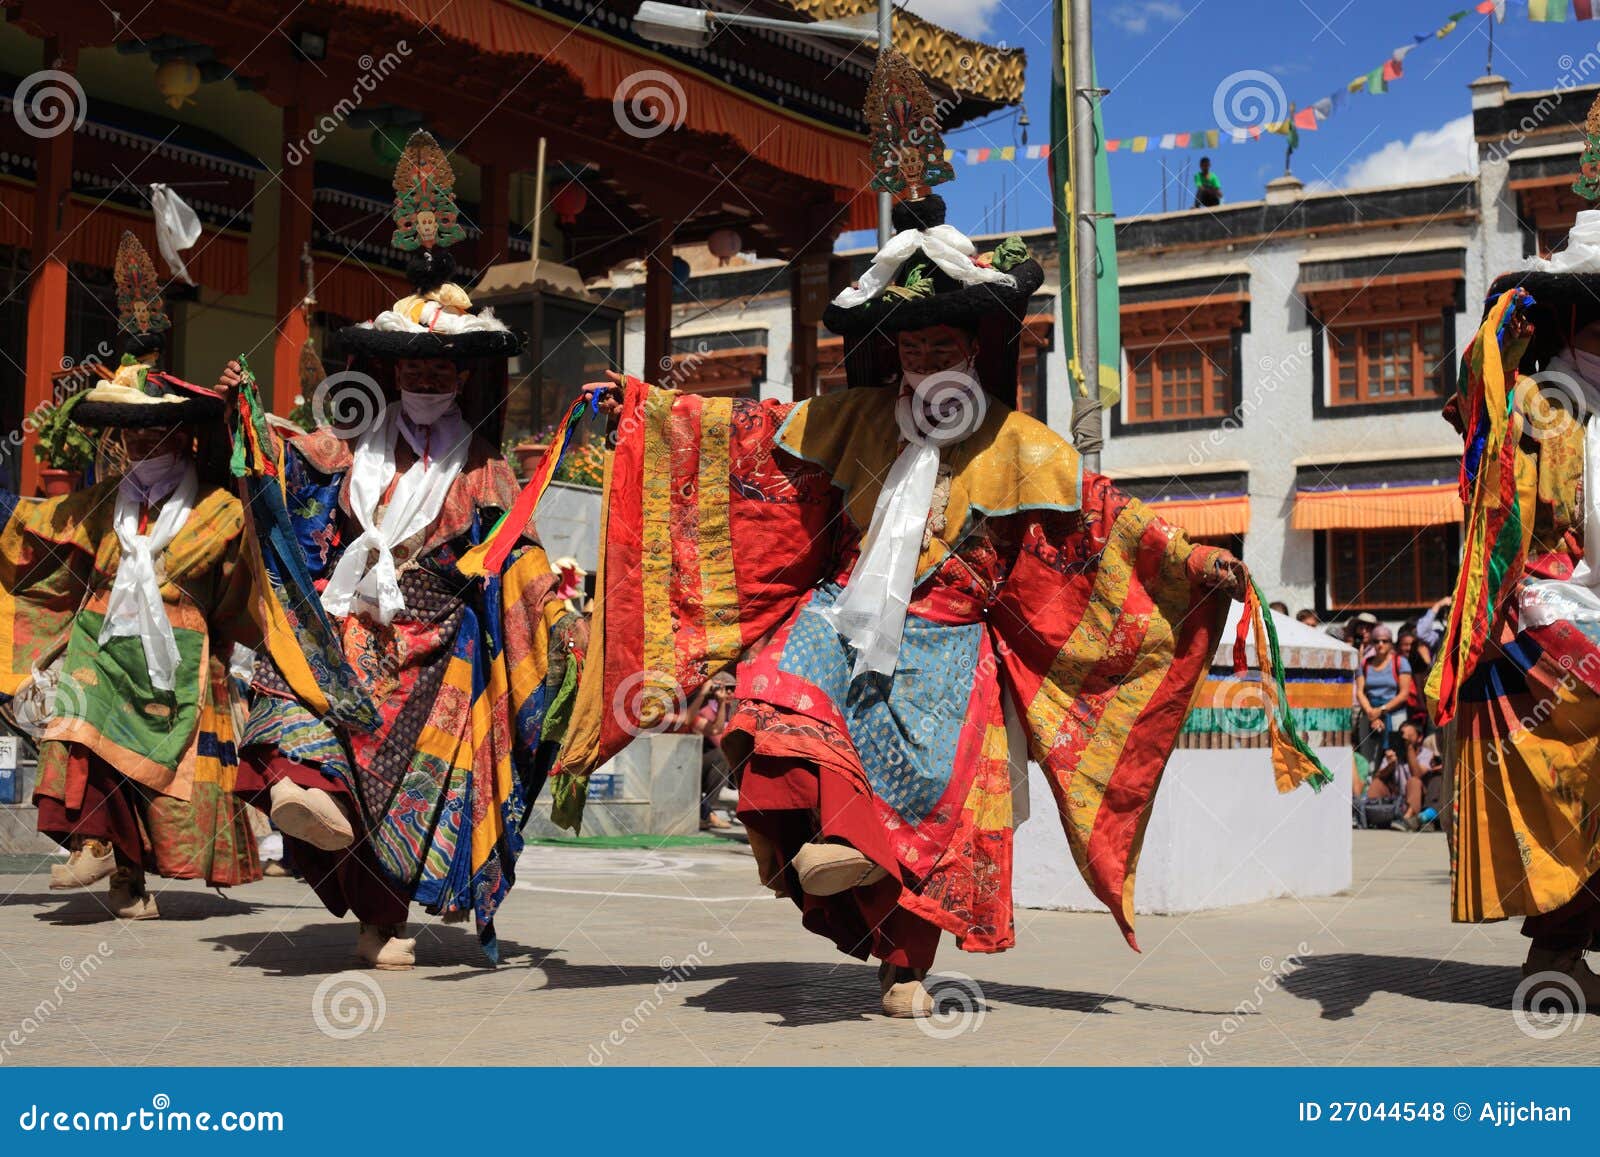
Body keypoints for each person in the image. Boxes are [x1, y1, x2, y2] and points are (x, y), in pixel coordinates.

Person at [552, 50, 1324, 1020]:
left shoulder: (1025, 446)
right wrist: (638, 408)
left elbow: (1102, 527)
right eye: (909, 346)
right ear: (894, 353)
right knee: (769, 699)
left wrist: (1197, 561)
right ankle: (793, 844)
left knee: (931, 799)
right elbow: (745, 441)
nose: (924, 361)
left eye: (942, 345)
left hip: (950, 650)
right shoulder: (854, 417)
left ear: (975, 348)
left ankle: (900, 959)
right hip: (840, 617)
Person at [222, 132, 564, 968]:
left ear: (465, 380)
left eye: (441, 372)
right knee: (294, 694)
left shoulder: (485, 470)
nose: (425, 382)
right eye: (411, 368)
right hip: (347, 629)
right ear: (385, 371)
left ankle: (384, 920)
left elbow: (515, 550)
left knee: (404, 795)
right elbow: (288, 479)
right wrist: (245, 423)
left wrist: (553, 606)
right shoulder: (347, 447)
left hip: (435, 649)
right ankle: (305, 796)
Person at [0, 232, 261, 916]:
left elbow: (243, 573)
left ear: (185, 437)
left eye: (157, 434)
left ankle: (129, 880)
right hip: (103, 637)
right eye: (132, 436)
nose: (143, 445)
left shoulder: (216, 509)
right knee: (78, 727)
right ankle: (92, 847)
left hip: (180, 652)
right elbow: (42, 533)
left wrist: (239, 422)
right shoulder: (100, 502)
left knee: (156, 778)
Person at [1431, 111, 1600, 1002]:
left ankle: (1568, 947)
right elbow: (1505, 534)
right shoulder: (1542, 409)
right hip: (1546, 618)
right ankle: (1560, 946)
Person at [1355, 625, 1412, 768]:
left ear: (1390, 642)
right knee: (1368, 760)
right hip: (1370, 713)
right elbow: (1360, 691)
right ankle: (1367, 789)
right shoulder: (1365, 664)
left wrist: (1382, 709)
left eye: (1384, 641)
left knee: (1395, 758)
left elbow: (1404, 694)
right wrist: (1370, 712)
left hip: (1394, 714)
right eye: (1376, 641)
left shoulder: (1400, 662)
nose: (1380, 644)